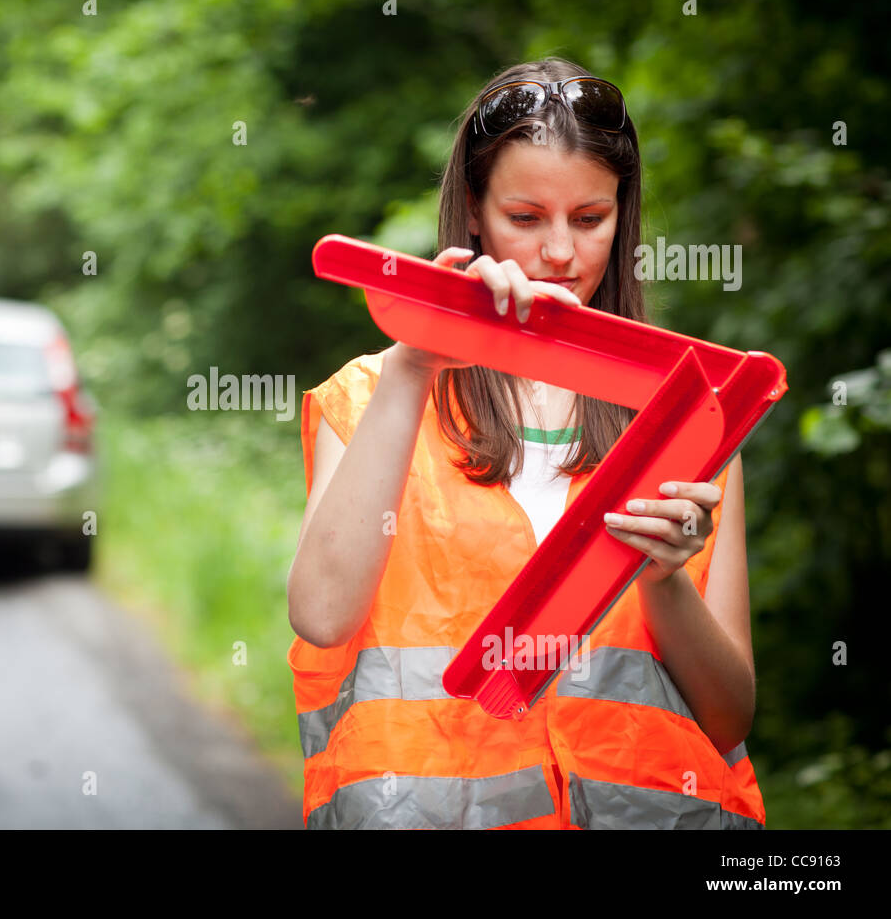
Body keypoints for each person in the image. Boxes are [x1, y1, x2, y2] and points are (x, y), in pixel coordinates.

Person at [286, 57, 766, 829]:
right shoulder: (376, 391)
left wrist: (664, 578)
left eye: (589, 219)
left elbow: (728, 719)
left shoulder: (689, 417)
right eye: (525, 216)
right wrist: (417, 360)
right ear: (473, 209)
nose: (559, 255)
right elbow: (320, 615)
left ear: (623, 215)